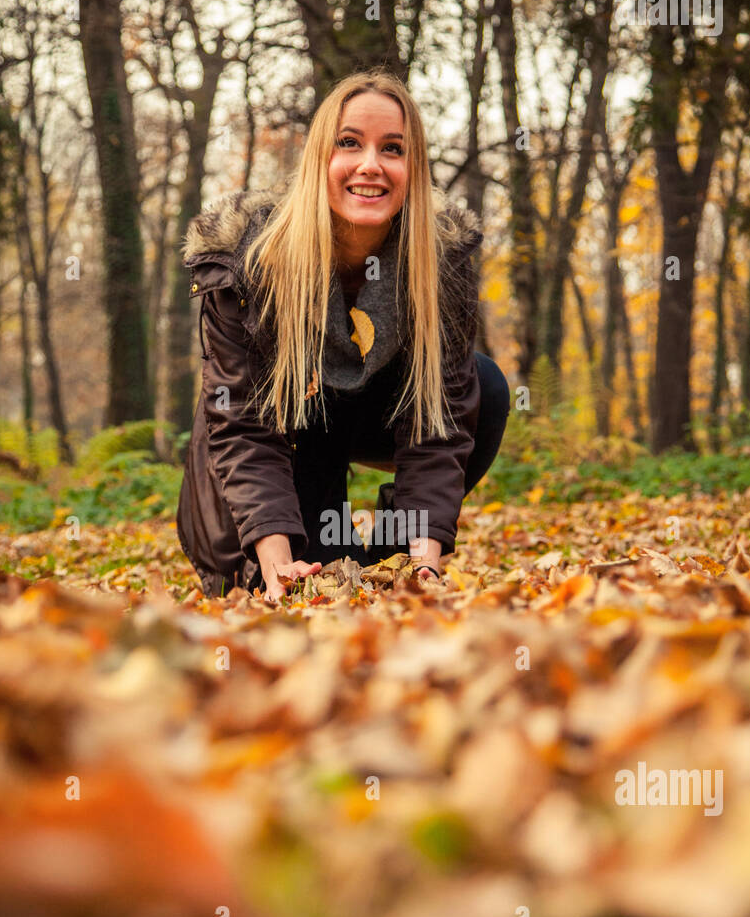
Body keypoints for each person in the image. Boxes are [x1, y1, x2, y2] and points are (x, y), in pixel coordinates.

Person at [176, 69, 511, 604]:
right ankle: (283, 553)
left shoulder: (440, 262)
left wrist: (420, 562)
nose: (371, 165)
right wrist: (275, 565)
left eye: (393, 149)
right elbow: (241, 426)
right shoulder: (246, 262)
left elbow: (438, 426)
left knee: (486, 385)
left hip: (369, 414)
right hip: (285, 434)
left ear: (413, 167)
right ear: (319, 161)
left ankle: (388, 549)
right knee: (314, 578)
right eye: (349, 143)